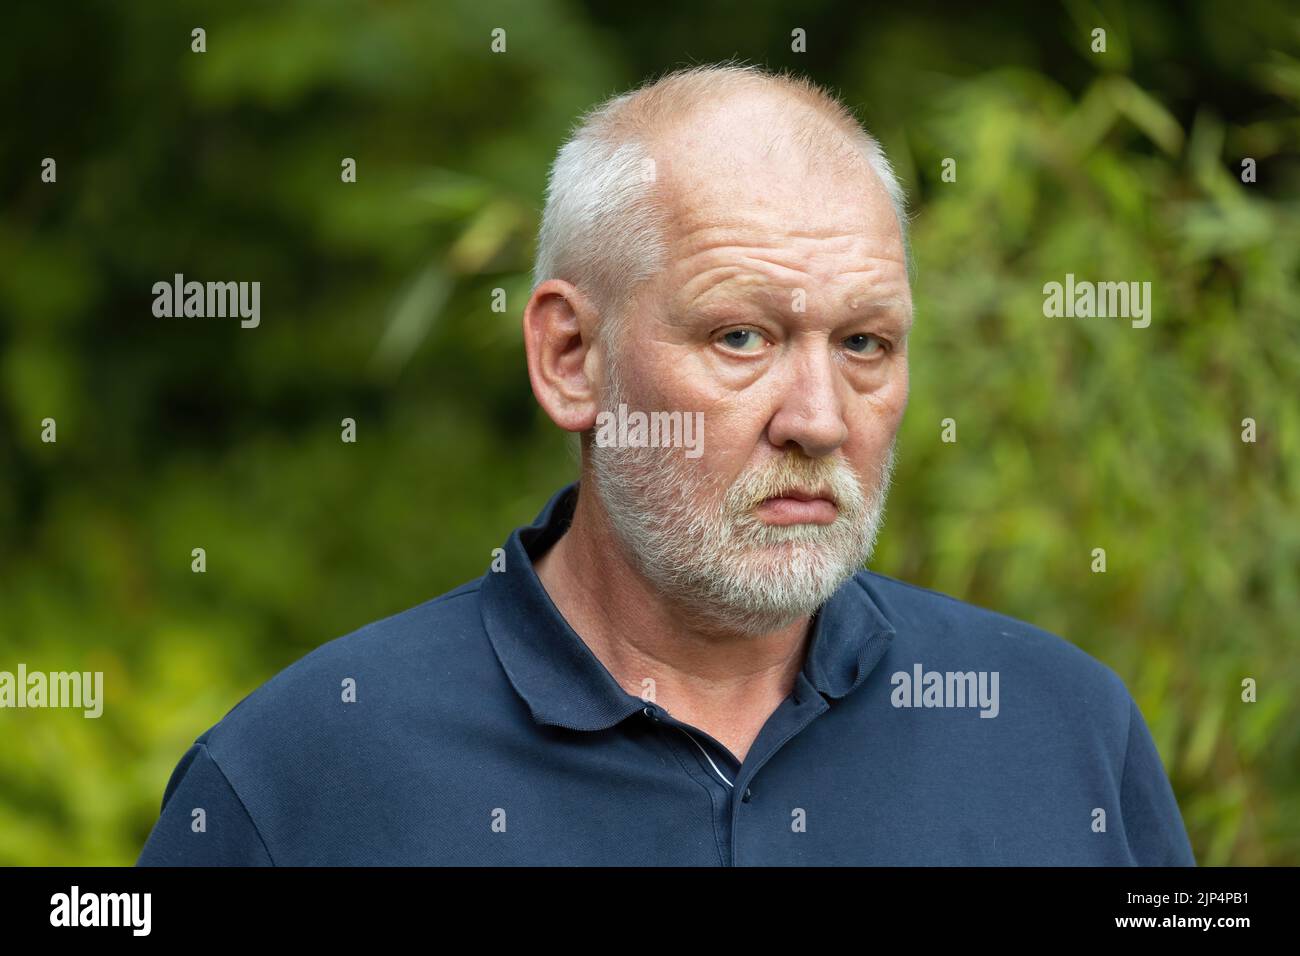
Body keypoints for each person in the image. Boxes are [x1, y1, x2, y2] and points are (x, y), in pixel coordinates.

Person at [138, 63, 1195, 866]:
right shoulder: (302, 776)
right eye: (741, 337)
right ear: (570, 358)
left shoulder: (1062, 730)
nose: (819, 419)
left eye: (864, 342)